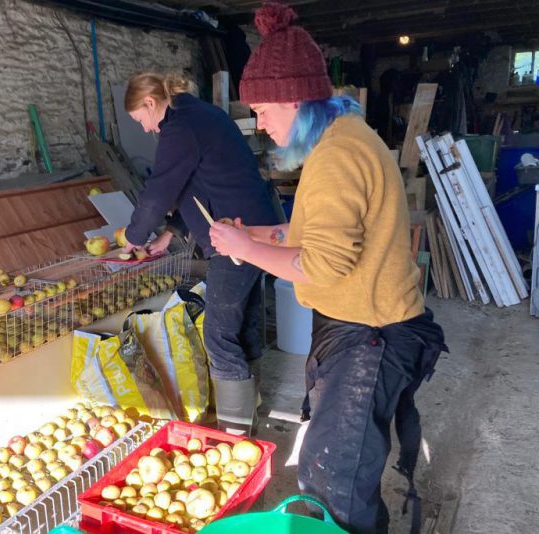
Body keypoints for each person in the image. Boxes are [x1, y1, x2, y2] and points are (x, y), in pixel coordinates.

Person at [208, 3, 447, 533]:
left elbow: (320, 265)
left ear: (294, 99)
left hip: (370, 336)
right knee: (348, 466)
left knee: (333, 479)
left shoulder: (336, 156)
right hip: (366, 328)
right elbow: (316, 235)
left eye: (263, 110)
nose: (259, 122)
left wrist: (244, 250)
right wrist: (253, 235)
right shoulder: (341, 139)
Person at [122, 72, 282, 436]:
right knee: (244, 323)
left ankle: (234, 436)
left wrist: (133, 236)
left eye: (141, 120)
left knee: (219, 335)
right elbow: (197, 185)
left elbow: (160, 190)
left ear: (150, 103)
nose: (146, 129)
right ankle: (250, 411)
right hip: (253, 227)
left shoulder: (179, 126)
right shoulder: (199, 116)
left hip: (235, 236)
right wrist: (171, 233)